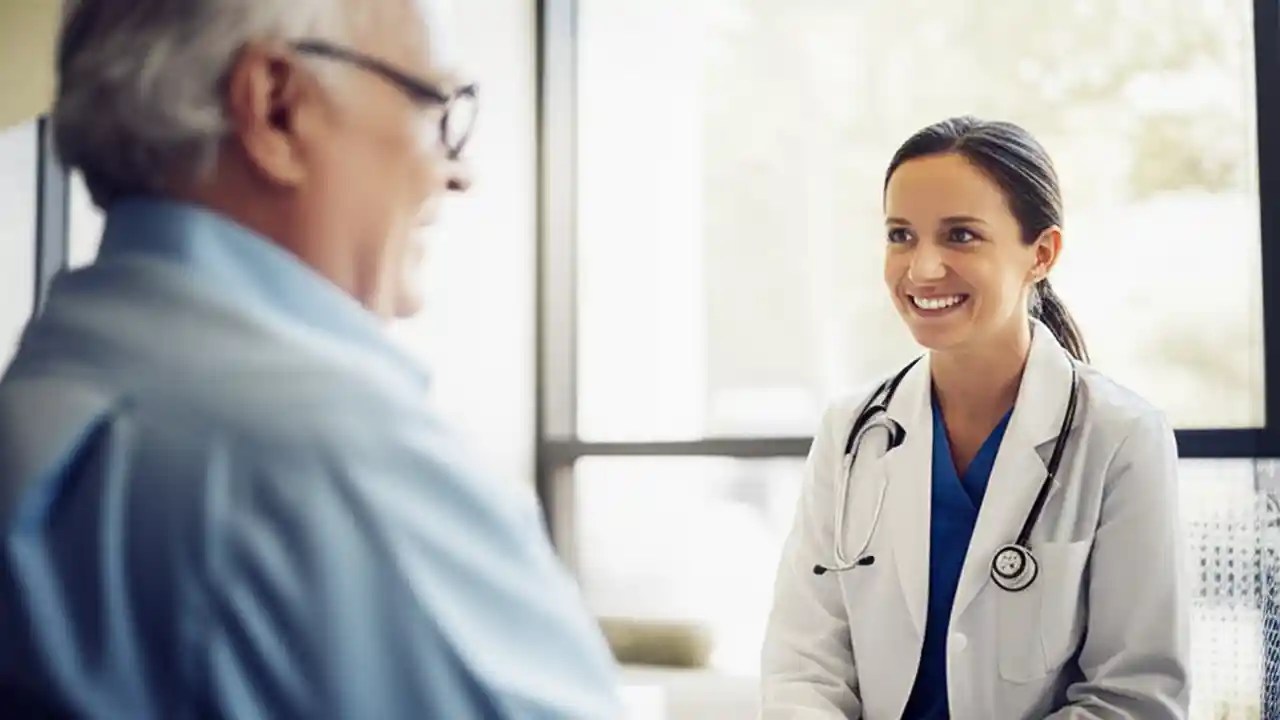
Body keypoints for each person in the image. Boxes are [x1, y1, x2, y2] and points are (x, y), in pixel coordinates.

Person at [0, 1, 621, 717]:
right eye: (435, 107)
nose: (459, 172)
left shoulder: (42, 405)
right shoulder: (336, 466)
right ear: (277, 108)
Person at [760, 116, 1189, 719]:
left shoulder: (1121, 437)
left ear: (1041, 254)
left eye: (960, 235)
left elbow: (1134, 696)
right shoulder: (851, 432)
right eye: (901, 235)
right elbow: (804, 665)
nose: (922, 268)